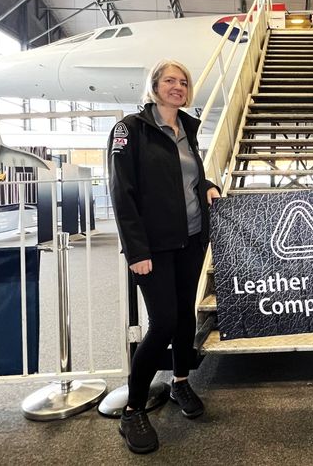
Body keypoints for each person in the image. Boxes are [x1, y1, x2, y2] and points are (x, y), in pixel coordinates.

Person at [108, 59, 221, 454]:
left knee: (184, 317)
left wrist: (206, 184)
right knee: (163, 323)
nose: (178, 86)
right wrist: (135, 250)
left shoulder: (186, 128)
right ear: (153, 86)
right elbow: (122, 193)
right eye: (170, 81)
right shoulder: (130, 129)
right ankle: (133, 409)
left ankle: (180, 382)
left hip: (190, 239)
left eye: (183, 81)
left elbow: (184, 175)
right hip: (153, 248)